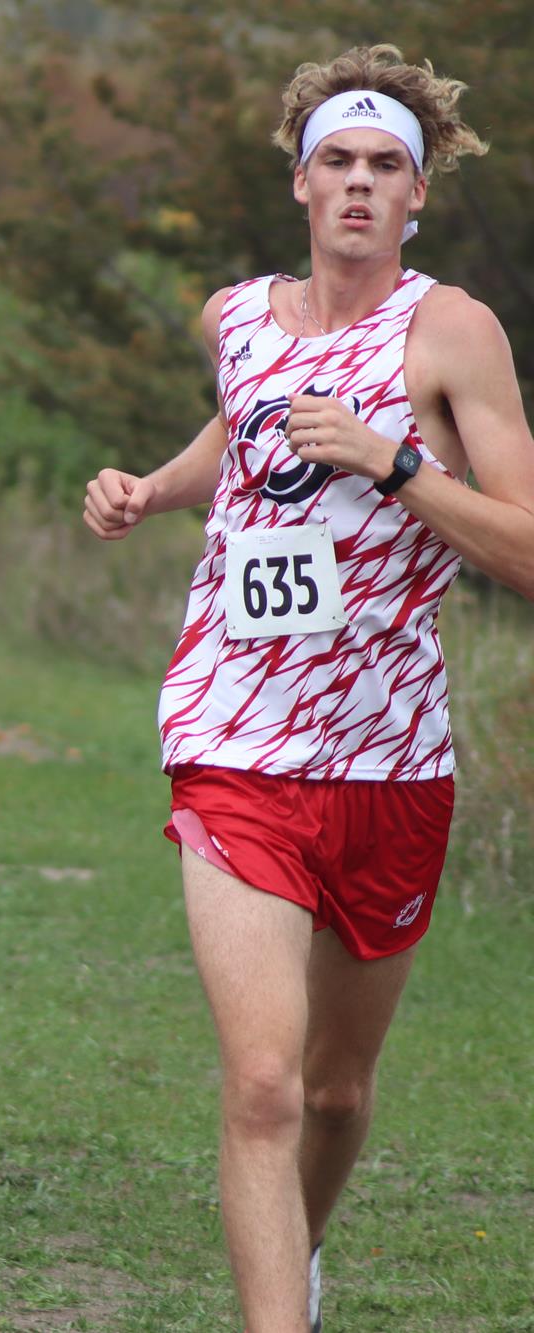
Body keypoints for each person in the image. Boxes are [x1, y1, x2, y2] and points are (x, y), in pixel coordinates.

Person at [81, 46, 526, 1333]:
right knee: (265, 1085)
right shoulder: (233, 316)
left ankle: (299, 1249)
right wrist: (152, 489)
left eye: (384, 164)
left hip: (390, 761)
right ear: (298, 181)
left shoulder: (449, 332)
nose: (358, 183)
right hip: (231, 732)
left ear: (416, 193)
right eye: (336, 160)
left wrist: (394, 465)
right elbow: (238, 427)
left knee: (332, 1093)